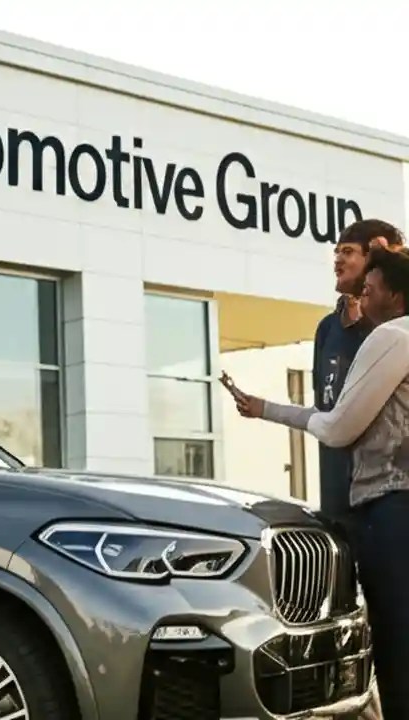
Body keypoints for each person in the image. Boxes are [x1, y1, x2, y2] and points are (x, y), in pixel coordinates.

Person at [230, 244, 409, 720]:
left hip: (391, 511)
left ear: (395, 295)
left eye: (369, 291)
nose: (362, 301)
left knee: (396, 654)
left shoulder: (392, 337)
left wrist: (267, 409)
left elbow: (337, 428)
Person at [310, 219, 404, 535]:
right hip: (337, 502)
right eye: (336, 252)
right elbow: (323, 413)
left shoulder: (394, 330)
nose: (338, 260)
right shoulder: (327, 329)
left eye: (348, 252)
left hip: (388, 503)